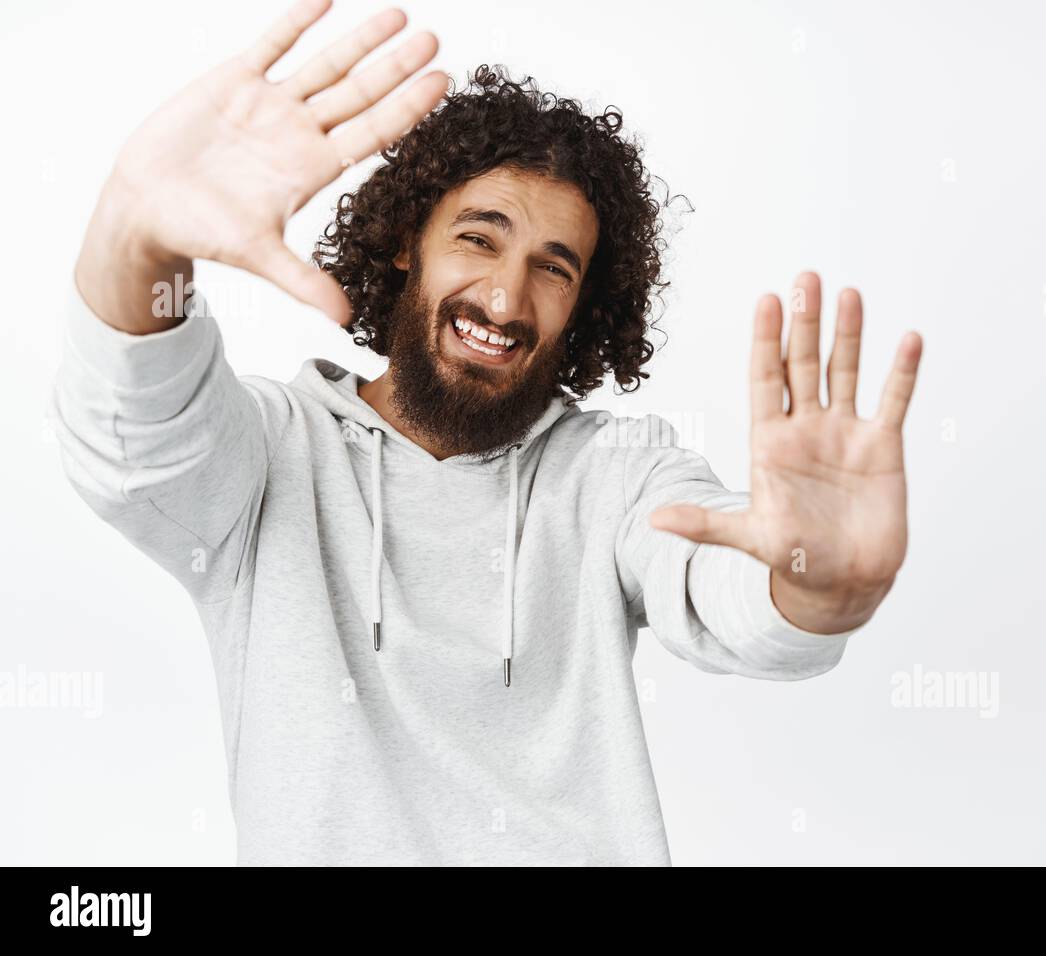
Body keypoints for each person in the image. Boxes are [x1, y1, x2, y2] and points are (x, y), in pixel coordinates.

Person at [48, 0, 923, 865]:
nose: (506, 300)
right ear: (405, 245)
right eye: (478, 239)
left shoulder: (613, 472)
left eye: (553, 269)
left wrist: (818, 584)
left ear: (585, 308)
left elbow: (713, 580)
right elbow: (136, 433)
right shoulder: (273, 457)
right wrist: (136, 232)